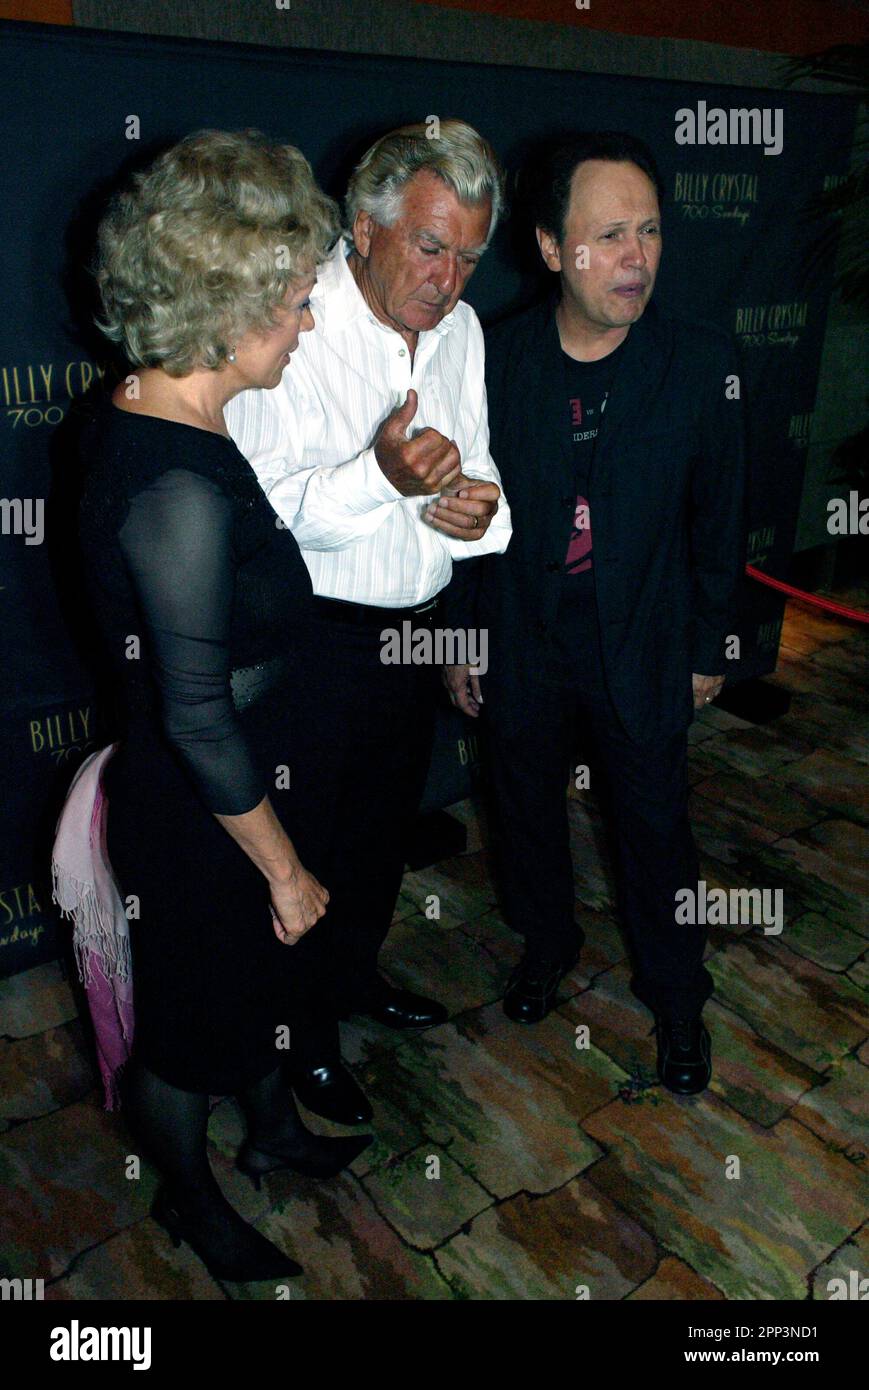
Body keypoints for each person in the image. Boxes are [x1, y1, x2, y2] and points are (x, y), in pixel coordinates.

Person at [75, 129, 372, 1283]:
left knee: (263, 985)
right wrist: (285, 868)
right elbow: (197, 715)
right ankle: (188, 1200)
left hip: (246, 774)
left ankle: (278, 1132)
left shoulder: (161, 413)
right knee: (195, 1022)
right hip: (208, 812)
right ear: (226, 303)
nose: (305, 324)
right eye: (297, 301)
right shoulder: (175, 487)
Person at [443, 131, 746, 1095]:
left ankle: (677, 998)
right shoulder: (491, 359)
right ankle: (546, 945)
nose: (635, 257)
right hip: (523, 638)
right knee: (523, 812)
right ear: (547, 248)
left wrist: (708, 645)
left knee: (656, 832)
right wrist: (460, 636)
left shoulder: (698, 366)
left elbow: (719, 520)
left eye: (649, 231)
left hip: (644, 646)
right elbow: (461, 508)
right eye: (608, 233)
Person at [226, 119, 512, 1126]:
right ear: (361, 226)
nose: (450, 279)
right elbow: (264, 514)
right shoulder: (292, 319)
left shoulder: (463, 333)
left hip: (416, 629)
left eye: (469, 256)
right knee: (303, 853)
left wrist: (478, 513)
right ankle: (296, 1039)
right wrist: (378, 478)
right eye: (431, 247)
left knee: (382, 837)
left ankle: (351, 983)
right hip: (314, 641)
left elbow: (486, 491)